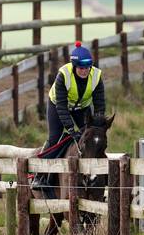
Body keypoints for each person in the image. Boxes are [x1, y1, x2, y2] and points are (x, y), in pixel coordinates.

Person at [33, 41, 106, 190]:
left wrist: (98, 124)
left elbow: (99, 103)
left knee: (92, 139)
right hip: (58, 106)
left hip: (81, 108)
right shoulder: (63, 75)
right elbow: (61, 106)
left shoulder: (97, 76)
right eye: (81, 68)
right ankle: (39, 175)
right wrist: (71, 129)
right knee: (54, 138)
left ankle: (100, 174)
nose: (84, 71)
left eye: (87, 68)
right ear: (74, 66)